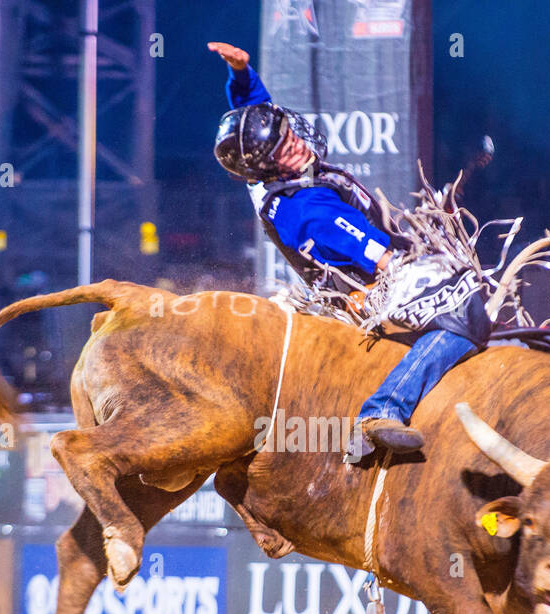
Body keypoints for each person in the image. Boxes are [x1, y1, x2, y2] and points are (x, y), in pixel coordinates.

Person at [209, 41, 490, 456]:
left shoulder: (262, 175)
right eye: (286, 148)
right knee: (465, 317)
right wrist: (416, 268)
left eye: (290, 136)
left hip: (361, 268)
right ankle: (381, 410)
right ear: (268, 166)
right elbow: (377, 255)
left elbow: (257, 117)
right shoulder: (308, 209)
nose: (299, 145)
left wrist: (241, 73)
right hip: (361, 291)